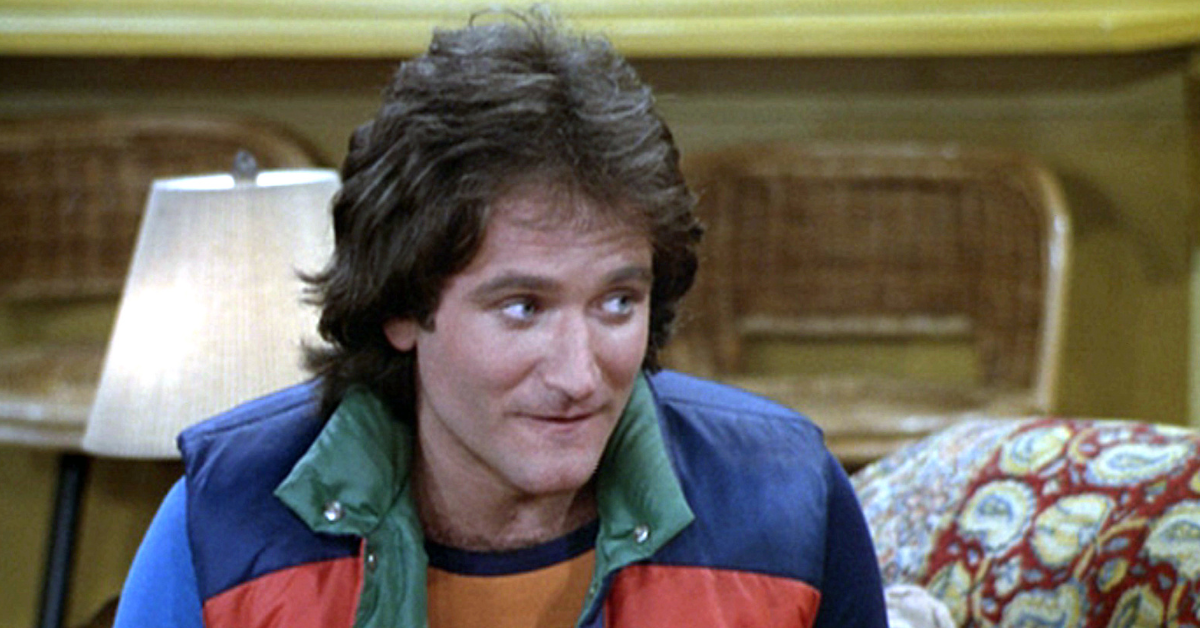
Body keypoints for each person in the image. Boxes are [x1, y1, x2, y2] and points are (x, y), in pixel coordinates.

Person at [114, 10, 888, 628]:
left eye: (617, 302)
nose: (579, 375)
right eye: (523, 308)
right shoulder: (221, 527)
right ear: (402, 307)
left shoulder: (787, 502)